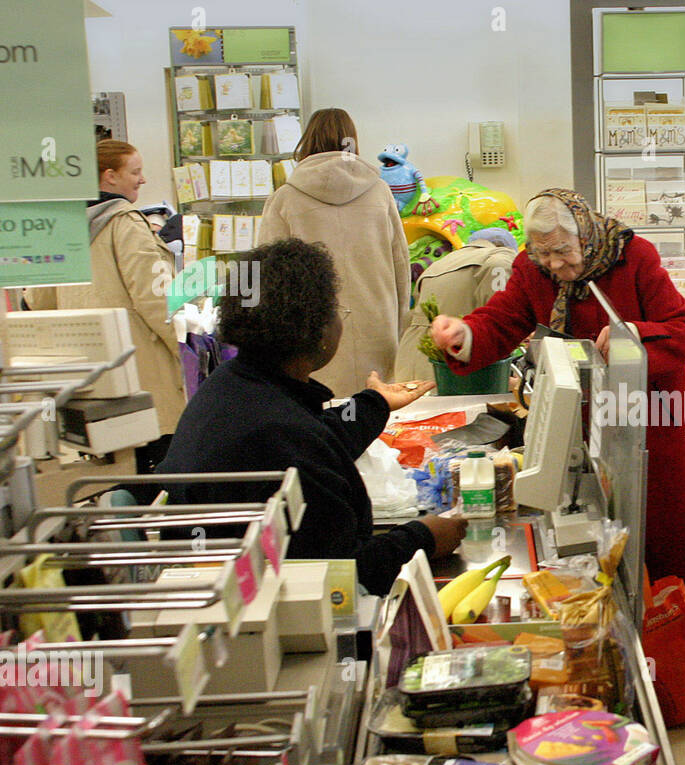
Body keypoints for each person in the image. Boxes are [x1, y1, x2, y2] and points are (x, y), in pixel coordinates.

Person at [429, 189, 685, 595]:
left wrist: (634, 337)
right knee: (599, 549)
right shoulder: (532, 269)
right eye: (543, 254)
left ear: (585, 233)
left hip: (650, 423)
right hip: (581, 428)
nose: (554, 264)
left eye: (562, 251)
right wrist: (465, 334)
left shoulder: (634, 258)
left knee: (661, 552)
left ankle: (679, 640)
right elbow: (503, 319)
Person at [157, 238, 466, 597]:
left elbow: (316, 438)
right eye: (336, 309)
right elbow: (345, 577)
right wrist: (424, 537)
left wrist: (374, 403)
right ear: (317, 331)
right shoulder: (279, 433)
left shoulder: (235, 383)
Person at [24, 140, 186, 465]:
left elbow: (37, 299)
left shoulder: (63, 226)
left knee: (108, 473)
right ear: (109, 176)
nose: (142, 180)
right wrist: (185, 349)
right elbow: (157, 298)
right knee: (153, 476)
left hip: (85, 374)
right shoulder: (125, 222)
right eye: (135, 172)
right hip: (139, 375)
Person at [259, 108, 410, 395]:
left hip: (313, 336)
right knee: (373, 417)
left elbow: (269, 278)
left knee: (322, 423)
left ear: (308, 141)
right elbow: (401, 266)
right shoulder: (380, 193)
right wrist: (400, 326)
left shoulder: (284, 199)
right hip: (377, 327)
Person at [393, 228, 518, 382]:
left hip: (408, 356)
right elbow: (501, 320)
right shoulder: (500, 258)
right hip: (446, 363)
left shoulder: (438, 265)